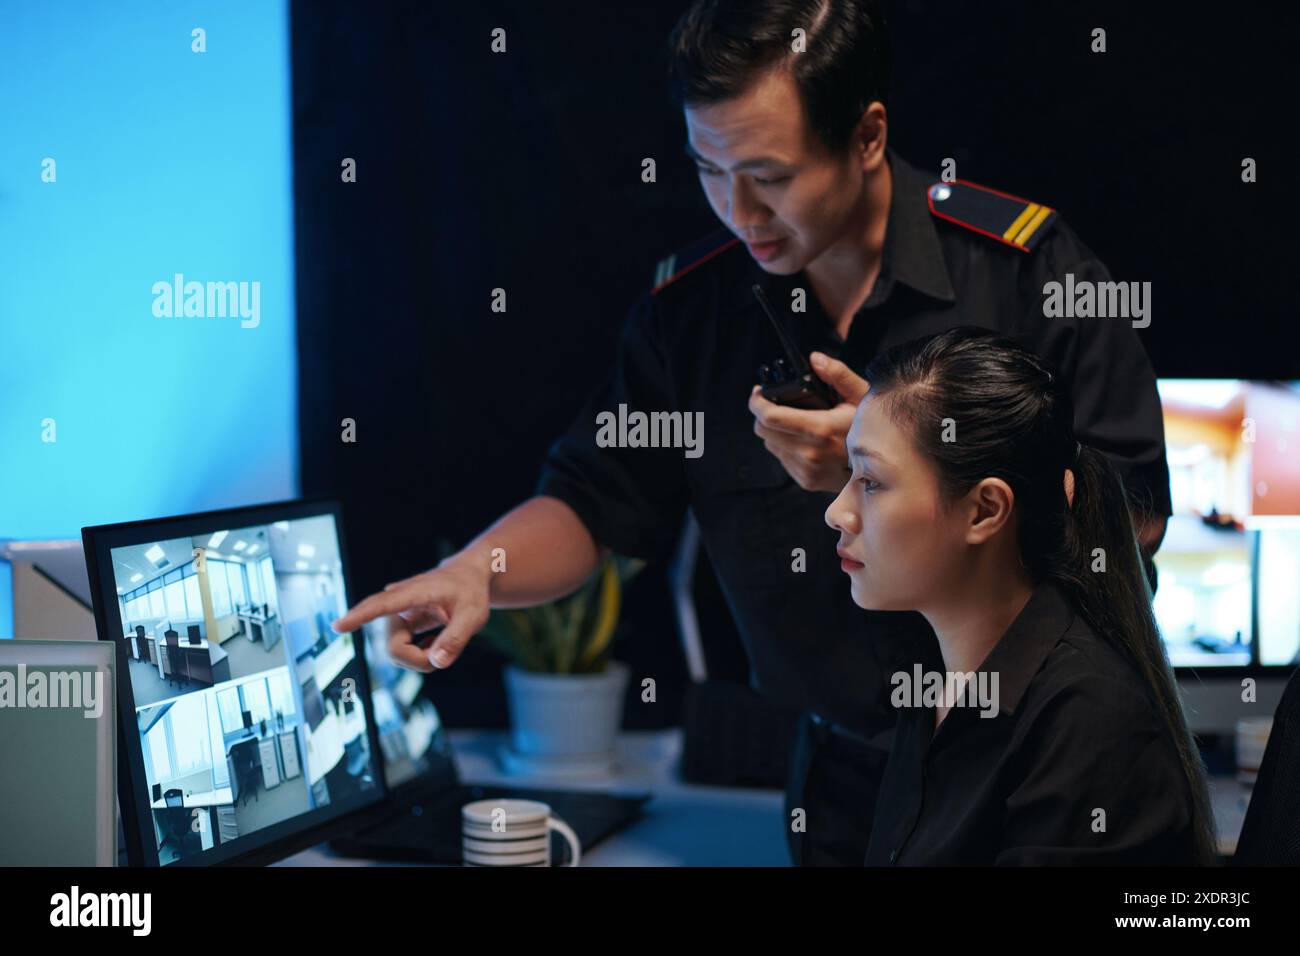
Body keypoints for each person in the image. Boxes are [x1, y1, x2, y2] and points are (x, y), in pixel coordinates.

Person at [332, 0, 1173, 865]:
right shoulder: (694, 313)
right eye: (708, 169)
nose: (741, 213)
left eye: (772, 176)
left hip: (1025, 756)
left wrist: (906, 470)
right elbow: (593, 499)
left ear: (868, 135)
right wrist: (477, 571)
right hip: (835, 778)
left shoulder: (1026, 269)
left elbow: (1135, 514)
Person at [825, 327, 1216, 865]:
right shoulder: (931, 680)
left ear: (985, 510)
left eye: (870, 482)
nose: (836, 513)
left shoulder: (1089, 724)